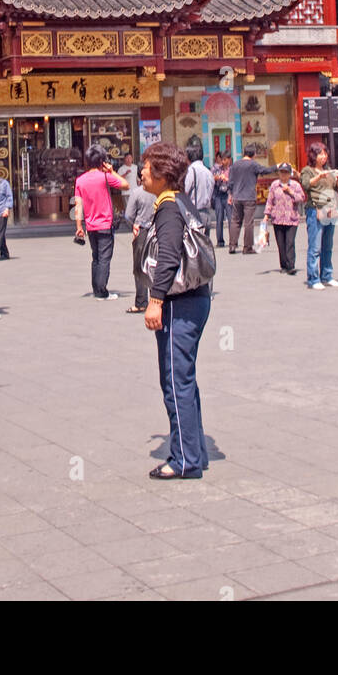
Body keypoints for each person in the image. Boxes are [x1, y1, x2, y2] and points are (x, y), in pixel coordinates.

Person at [140, 142, 211, 480]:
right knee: (184, 379)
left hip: (178, 304)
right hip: (196, 299)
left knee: (175, 380)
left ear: (162, 173)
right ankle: (194, 452)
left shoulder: (168, 208)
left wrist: (155, 301)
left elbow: (168, 256)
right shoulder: (183, 202)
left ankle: (184, 460)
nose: (141, 172)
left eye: (146, 166)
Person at [74, 145, 128, 300]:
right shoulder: (105, 177)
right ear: (102, 161)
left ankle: (96, 288)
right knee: (104, 258)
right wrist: (112, 172)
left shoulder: (80, 180)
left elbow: (78, 205)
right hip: (105, 223)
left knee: (96, 257)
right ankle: (101, 291)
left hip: (90, 225)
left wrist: (79, 226)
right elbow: (125, 184)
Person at [300, 143, 338, 290]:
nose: (323, 157)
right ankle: (313, 278)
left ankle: (327, 275)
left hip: (330, 209)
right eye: (320, 154)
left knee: (327, 246)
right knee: (315, 247)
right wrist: (318, 177)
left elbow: (337, 187)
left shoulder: (328, 170)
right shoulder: (308, 170)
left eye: (325, 153)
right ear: (313, 155)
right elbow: (305, 184)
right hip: (315, 210)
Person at [226, 148, 275, 254]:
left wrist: (230, 194)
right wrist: (277, 167)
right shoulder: (253, 164)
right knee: (248, 222)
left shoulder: (235, 165)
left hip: (237, 196)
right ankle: (247, 247)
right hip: (249, 197)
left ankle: (232, 245)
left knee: (235, 221)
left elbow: (230, 181)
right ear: (254, 154)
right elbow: (265, 171)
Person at [262, 163, 305, 275]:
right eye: (282, 172)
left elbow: (302, 198)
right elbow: (270, 201)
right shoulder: (275, 185)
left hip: (291, 218)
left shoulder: (295, 185)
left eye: (286, 172)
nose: (284, 175)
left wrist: (291, 192)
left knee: (290, 242)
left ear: (290, 174)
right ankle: (284, 265)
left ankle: (291, 265)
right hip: (278, 218)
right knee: (281, 243)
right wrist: (266, 215)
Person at [123, 180, 156, 314]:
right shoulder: (158, 192)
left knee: (140, 266)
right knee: (155, 265)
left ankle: (141, 302)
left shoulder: (136, 192)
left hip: (141, 230)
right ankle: (156, 299)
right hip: (156, 229)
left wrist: (134, 224)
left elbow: (128, 215)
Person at [184, 147, 215, 237]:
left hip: (194, 214)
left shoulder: (191, 171)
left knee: (194, 245)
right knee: (205, 244)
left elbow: (185, 190)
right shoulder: (208, 172)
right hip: (206, 213)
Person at [211, 153, 230, 247]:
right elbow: (210, 177)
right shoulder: (216, 169)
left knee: (231, 218)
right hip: (218, 195)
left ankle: (233, 241)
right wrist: (217, 177)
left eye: (224, 159)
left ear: (229, 160)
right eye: (221, 159)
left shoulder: (232, 170)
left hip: (228, 194)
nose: (222, 162)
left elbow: (235, 181)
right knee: (219, 218)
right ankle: (220, 241)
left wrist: (227, 179)